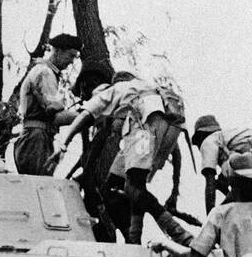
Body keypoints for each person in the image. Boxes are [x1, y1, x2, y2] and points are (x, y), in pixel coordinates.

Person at [52, 72, 186, 244]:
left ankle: (179, 234)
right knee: (121, 186)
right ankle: (134, 239)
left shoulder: (115, 91)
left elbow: (85, 115)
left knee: (132, 187)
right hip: (171, 126)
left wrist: (64, 143)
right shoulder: (147, 88)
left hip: (145, 122)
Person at [5, 34, 83, 175]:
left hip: (39, 138)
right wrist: (85, 116)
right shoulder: (44, 73)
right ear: (58, 51)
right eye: (70, 55)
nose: (71, 62)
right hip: (36, 140)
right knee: (39, 187)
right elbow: (56, 116)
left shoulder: (48, 73)